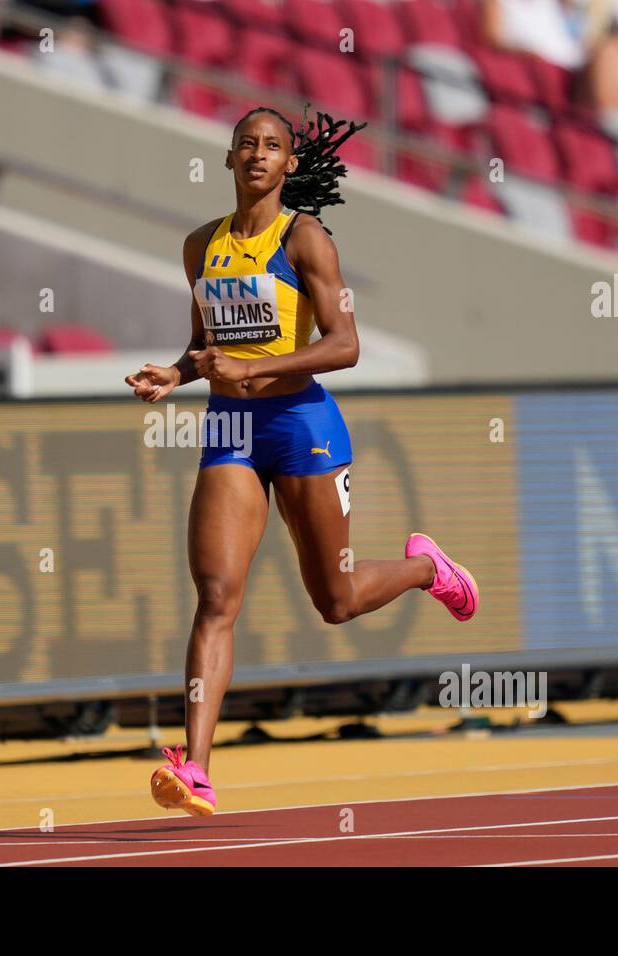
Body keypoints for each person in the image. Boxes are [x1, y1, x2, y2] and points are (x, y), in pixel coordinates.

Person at [124, 107, 480, 817]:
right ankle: (195, 767)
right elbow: (208, 345)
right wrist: (176, 373)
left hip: (302, 425)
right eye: (247, 145)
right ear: (228, 159)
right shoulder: (201, 246)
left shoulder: (306, 238)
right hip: (230, 426)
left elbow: (345, 343)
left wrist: (262, 372)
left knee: (336, 600)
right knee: (218, 594)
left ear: (290, 164)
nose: (258, 155)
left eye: (273, 146)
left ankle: (425, 568)